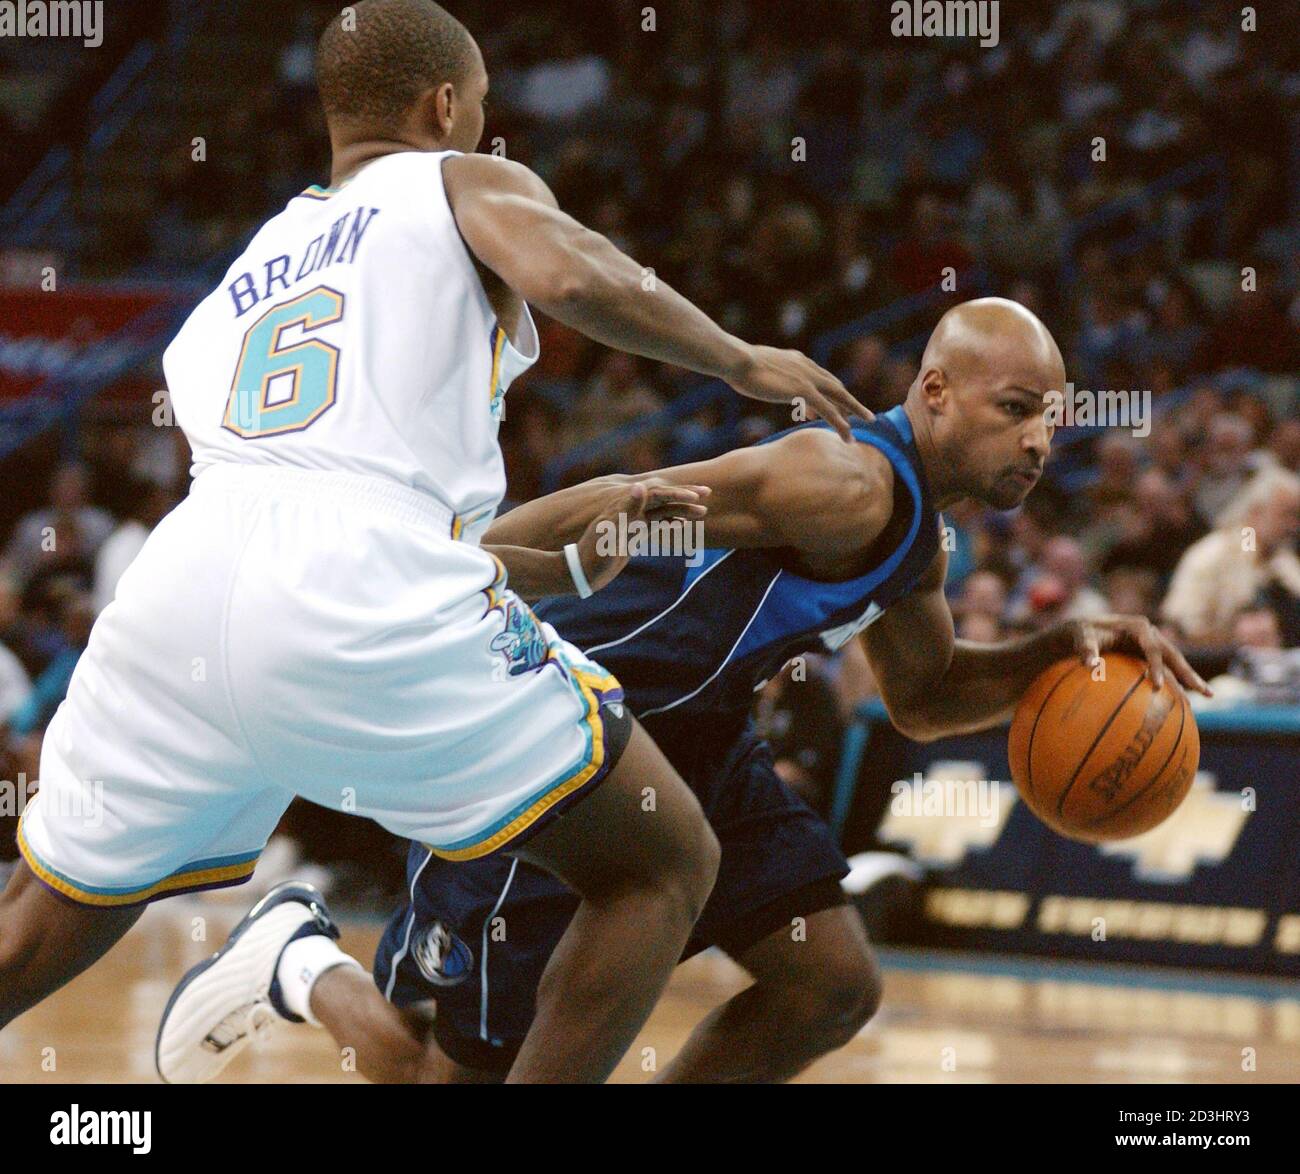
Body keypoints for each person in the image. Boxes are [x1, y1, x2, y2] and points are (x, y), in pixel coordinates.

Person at [0, 0, 870, 1086]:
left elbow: (290, 465)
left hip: (179, 586)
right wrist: (739, 358)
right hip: (360, 584)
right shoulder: (459, 177)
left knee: (37, 924)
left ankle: (297, 958)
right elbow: (567, 273)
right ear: (446, 103)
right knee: (664, 859)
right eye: (484, 106)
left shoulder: (248, 268)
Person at [158, 298, 1211, 1084]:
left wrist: (1060, 646)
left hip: (697, 744)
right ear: (933, 393)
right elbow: (630, 500)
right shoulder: (842, 483)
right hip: (552, 720)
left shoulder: (915, 543)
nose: (1038, 439)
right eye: (1015, 408)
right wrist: (452, 566)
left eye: (1053, 420)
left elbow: (926, 696)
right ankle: (295, 957)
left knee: (827, 982)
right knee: (448, 1073)